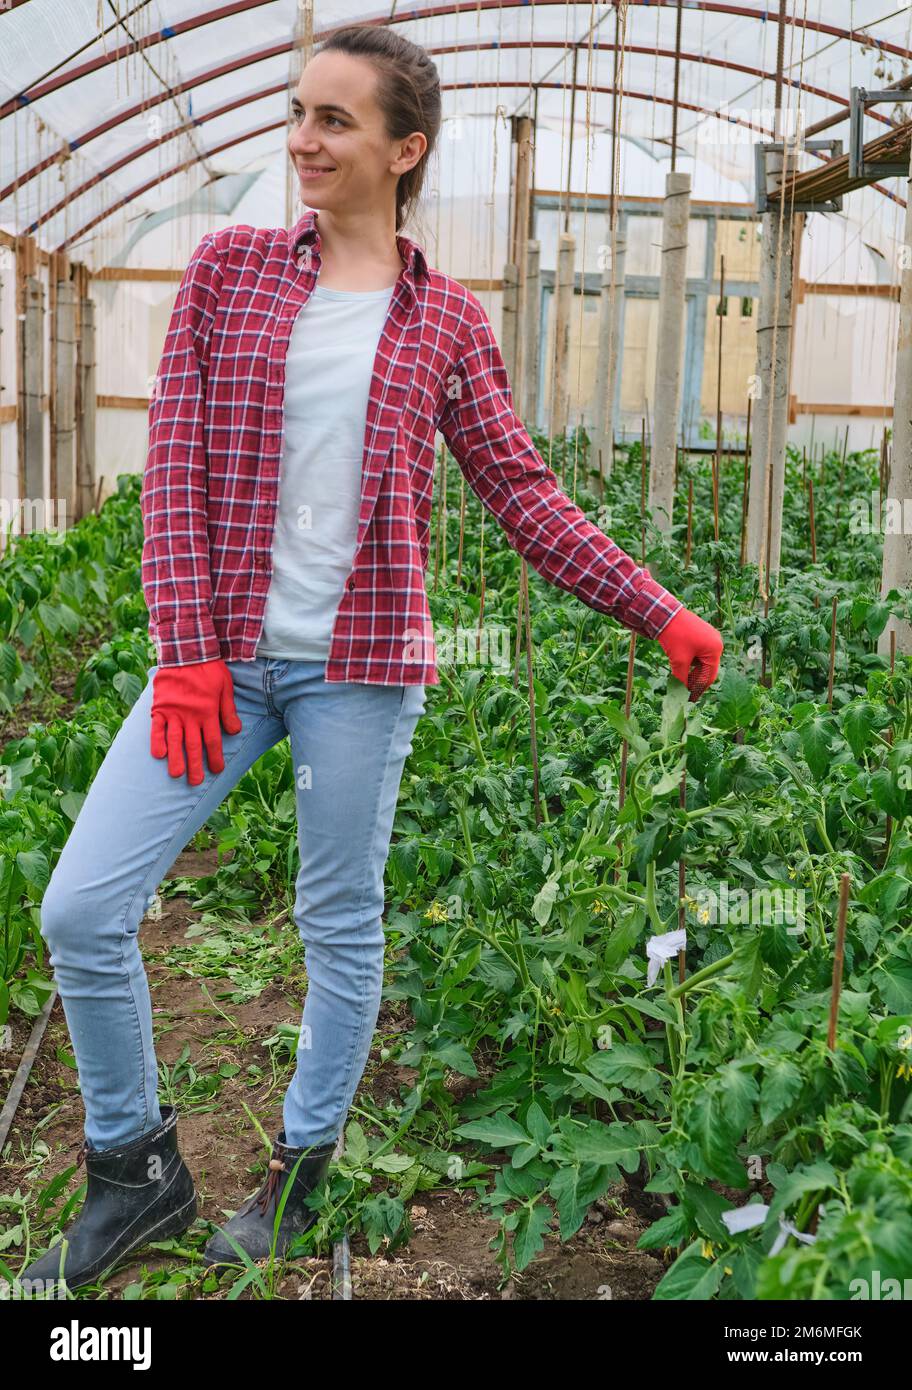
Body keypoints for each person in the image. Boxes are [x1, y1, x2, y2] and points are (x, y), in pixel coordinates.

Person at [19, 24, 722, 1292]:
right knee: (81, 906)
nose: (303, 139)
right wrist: (185, 652)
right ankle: (135, 1168)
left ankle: (298, 1177)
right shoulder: (231, 270)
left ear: (405, 151)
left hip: (360, 668)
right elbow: (171, 468)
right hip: (220, 666)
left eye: (336, 122)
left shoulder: (443, 319)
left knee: (339, 922)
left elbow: (521, 489)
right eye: (299, 113)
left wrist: (654, 608)